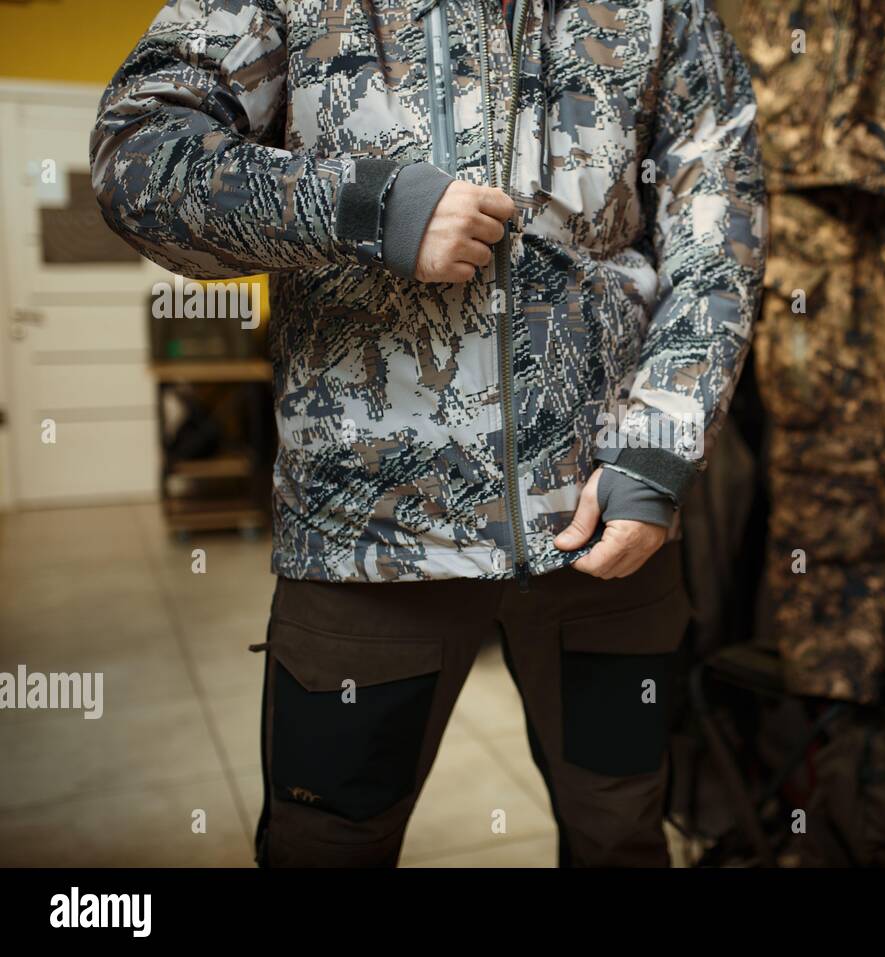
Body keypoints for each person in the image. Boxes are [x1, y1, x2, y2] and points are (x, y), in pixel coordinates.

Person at [92, 0, 765, 867]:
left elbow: (721, 228)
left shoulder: (663, 11)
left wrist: (659, 446)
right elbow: (136, 158)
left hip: (605, 521)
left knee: (621, 834)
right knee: (328, 844)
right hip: (367, 528)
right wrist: (368, 206)